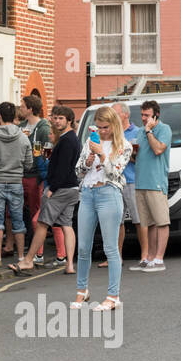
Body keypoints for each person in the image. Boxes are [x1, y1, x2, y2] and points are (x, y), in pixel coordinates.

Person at [72, 106, 131, 313]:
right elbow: (78, 172)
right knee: (83, 247)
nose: (102, 131)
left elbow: (115, 173)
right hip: (88, 193)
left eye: (105, 127)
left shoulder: (124, 145)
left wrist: (103, 156)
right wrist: (87, 162)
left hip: (109, 194)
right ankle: (82, 290)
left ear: (114, 125)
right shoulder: (90, 142)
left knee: (110, 247)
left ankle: (113, 295)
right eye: (98, 127)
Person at [18, 106, 81, 275]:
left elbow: (63, 168)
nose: (57, 121)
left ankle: (28, 260)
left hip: (60, 189)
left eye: (61, 118)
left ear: (69, 120)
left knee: (42, 224)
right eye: (55, 117)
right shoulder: (71, 138)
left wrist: (52, 188)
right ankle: (69, 265)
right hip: (71, 188)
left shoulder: (67, 140)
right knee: (67, 225)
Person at [0, 101, 33, 270]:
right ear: (14, 116)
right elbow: (29, 164)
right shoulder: (23, 137)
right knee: (18, 220)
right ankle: (21, 256)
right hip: (16, 181)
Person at [130, 100, 173, 272]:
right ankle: (149, 258)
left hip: (156, 182)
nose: (143, 118)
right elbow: (137, 158)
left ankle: (159, 259)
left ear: (156, 115)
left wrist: (149, 131)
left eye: (146, 115)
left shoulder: (164, 129)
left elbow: (158, 150)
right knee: (148, 223)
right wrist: (131, 154)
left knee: (162, 222)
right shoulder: (140, 132)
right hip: (141, 182)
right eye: (142, 115)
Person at [106, 103, 148, 270]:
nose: (112, 116)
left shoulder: (137, 133)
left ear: (125, 114)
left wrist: (129, 155)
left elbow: (141, 159)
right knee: (116, 221)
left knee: (139, 219)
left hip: (131, 180)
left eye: (114, 113)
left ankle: (145, 255)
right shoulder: (110, 134)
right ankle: (117, 258)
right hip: (114, 182)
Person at [21, 95, 52, 260]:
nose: (20, 108)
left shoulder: (44, 129)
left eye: (23, 106)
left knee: (35, 211)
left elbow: (46, 153)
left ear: (30, 109)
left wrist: (42, 173)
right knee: (22, 210)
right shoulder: (21, 126)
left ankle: (37, 249)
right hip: (22, 172)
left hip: (36, 175)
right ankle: (29, 243)